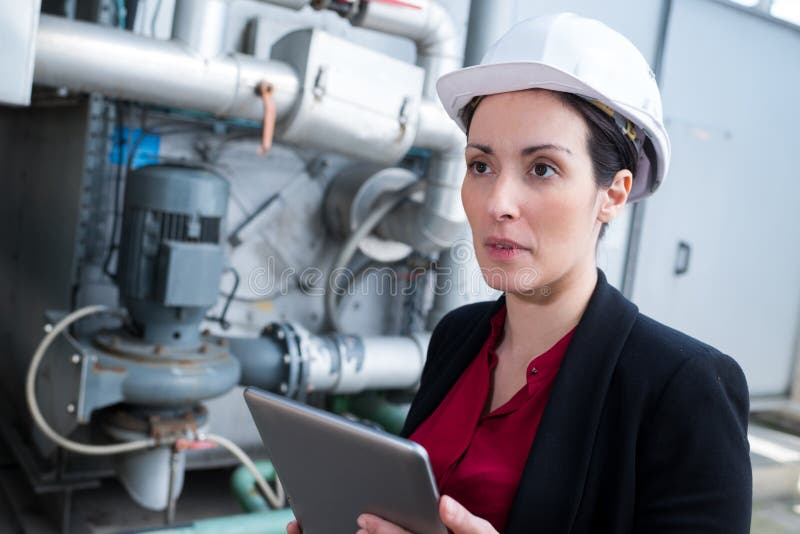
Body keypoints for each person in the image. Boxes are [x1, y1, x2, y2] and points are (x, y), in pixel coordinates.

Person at [289, 12, 751, 534]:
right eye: (481, 165)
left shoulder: (686, 389)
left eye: (542, 168)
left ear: (612, 194)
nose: (498, 203)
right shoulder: (457, 337)